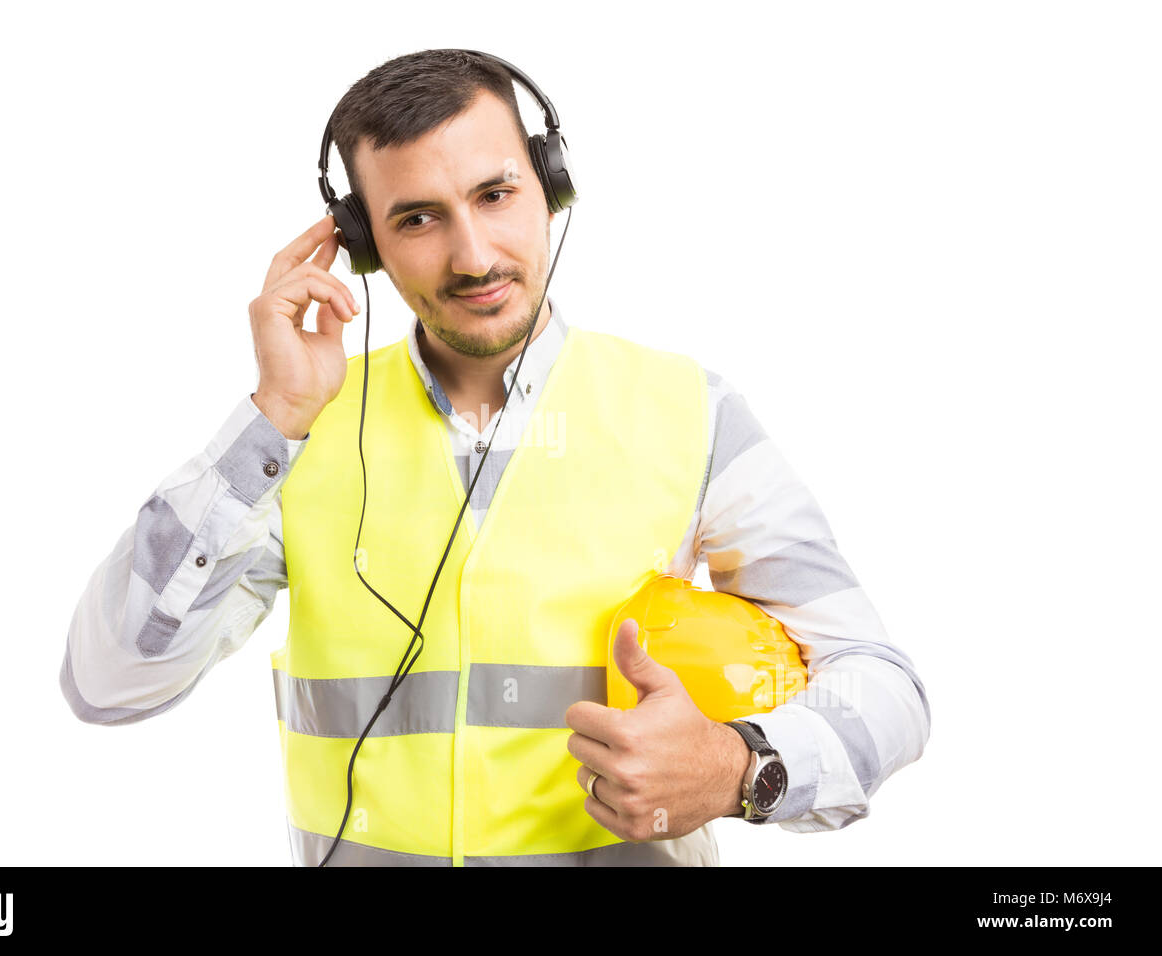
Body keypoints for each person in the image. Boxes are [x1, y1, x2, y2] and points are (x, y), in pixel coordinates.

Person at [60, 48, 930, 866]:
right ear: (363, 246)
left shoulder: (688, 410)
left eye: (496, 194)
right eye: (417, 218)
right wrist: (273, 418)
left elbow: (881, 687)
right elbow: (108, 682)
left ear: (550, 189)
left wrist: (744, 768)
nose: (473, 256)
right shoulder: (302, 434)